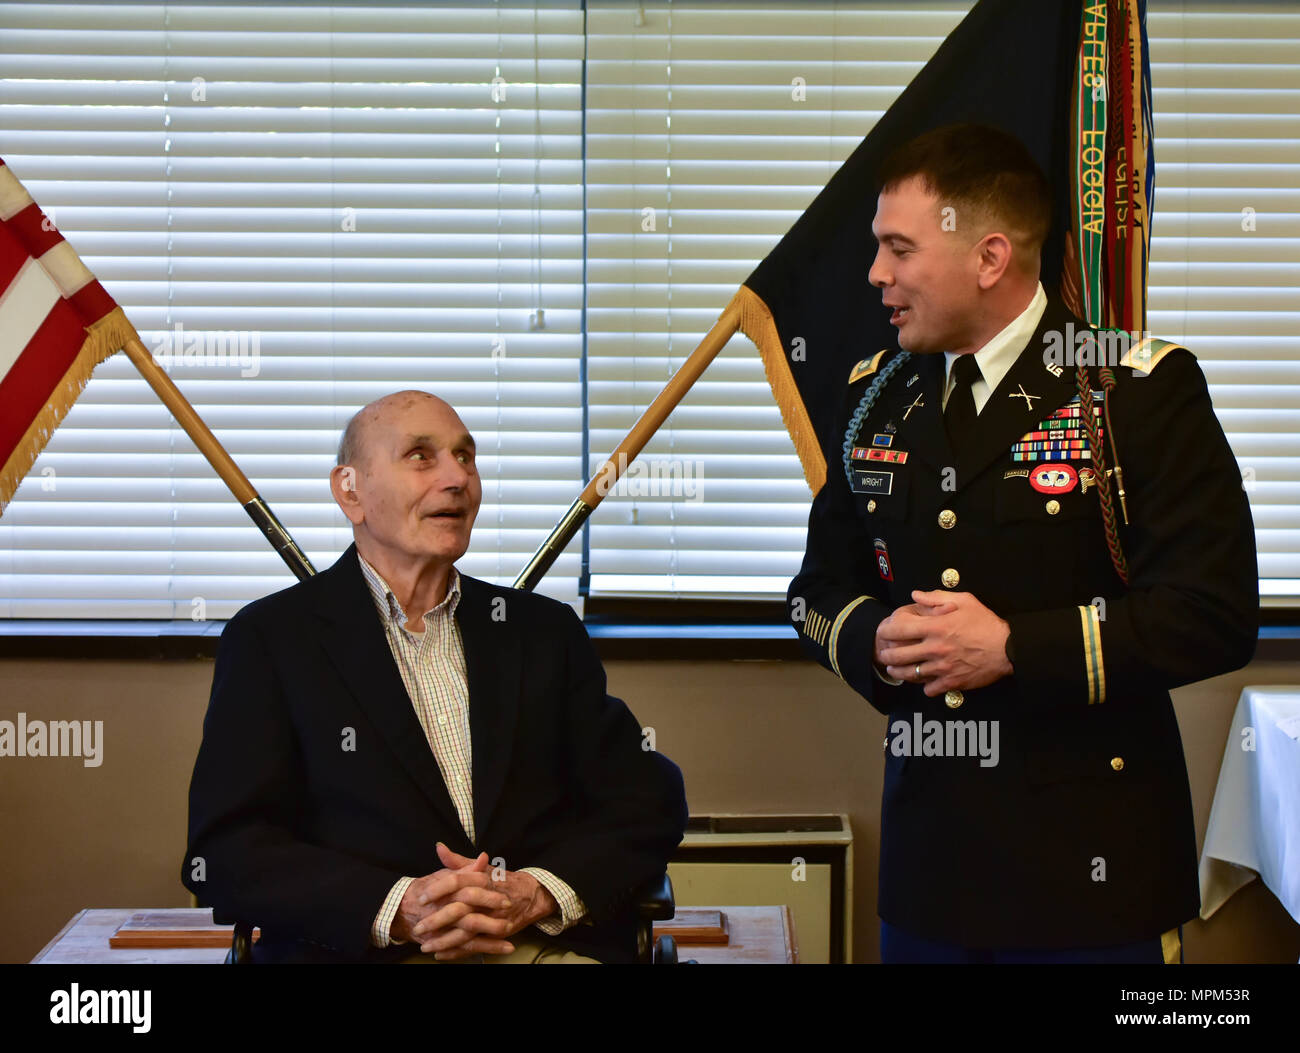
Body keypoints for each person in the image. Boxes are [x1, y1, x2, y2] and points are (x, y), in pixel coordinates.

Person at [787, 123, 1258, 963]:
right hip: (931, 871)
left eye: (900, 249)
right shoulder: (875, 396)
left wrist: (1013, 646)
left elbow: (1213, 612)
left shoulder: (1135, 390)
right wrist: (874, 641)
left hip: (1090, 877)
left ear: (990, 257)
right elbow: (815, 591)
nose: (877, 276)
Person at [183, 390, 688, 963]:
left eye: (465, 458)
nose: (457, 479)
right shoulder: (271, 638)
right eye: (422, 456)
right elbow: (225, 852)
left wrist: (539, 892)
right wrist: (399, 907)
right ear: (350, 491)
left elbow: (647, 798)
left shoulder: (541, 630)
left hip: (538, 948)